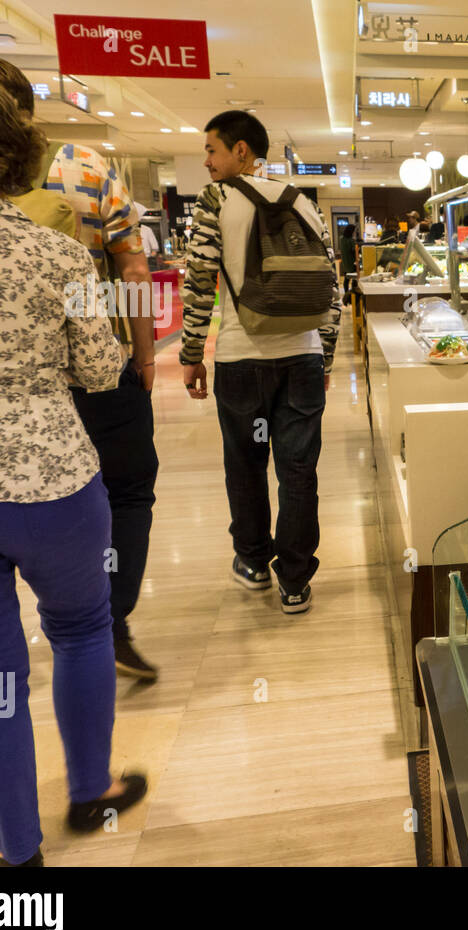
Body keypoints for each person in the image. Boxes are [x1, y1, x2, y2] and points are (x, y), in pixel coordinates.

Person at [0, 68, 148, 866]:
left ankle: (17, 850)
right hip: (51, 482)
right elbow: (100, 372)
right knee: (81, 631)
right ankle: (91, 793)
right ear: (20, 154)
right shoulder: (63, 260)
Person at [0, 56, 161, 681]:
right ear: (28, 109)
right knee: (126, 489)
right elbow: (133, 270)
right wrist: (143, 352)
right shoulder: (82, 164)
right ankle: (106, 616)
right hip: (92, 370)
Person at [179, 110, 343, 614]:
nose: (206, 161)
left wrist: (190, 354)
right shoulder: (304, 203)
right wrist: (328, 359)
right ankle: (294, 580)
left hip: (241, 359)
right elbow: (330, 289)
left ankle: (252, 561)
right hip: (302, 359)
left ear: (241, 151)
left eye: (212, 150)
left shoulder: (216, 201)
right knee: (299, 471)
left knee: (246, 465)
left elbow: (200, 280)